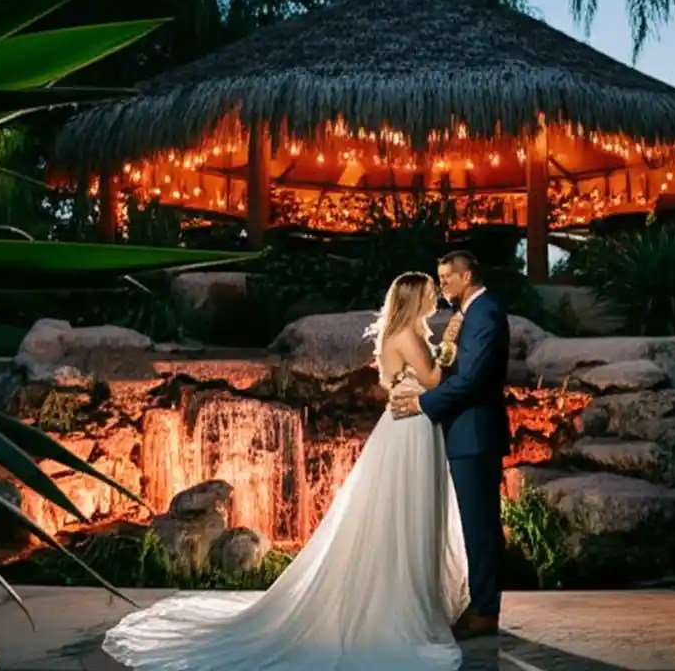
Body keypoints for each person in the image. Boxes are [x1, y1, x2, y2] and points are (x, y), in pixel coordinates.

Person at [102, 271, 470, 670]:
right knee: (410, 511)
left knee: (405, 512)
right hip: (412, 429)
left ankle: (408, 593)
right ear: (415, 299)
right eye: (430, 295)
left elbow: (394, 381)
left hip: (404, 424)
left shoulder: (396, 335)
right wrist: (449, 342)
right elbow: (433, 378)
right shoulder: (410, 337)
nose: (435, 299)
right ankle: (404, 600)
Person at [391, 250, 510, 641]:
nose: (442, 284)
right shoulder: (470, 315)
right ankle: (481, 605)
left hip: (475, 435)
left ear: (467, 274)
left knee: (480, 526)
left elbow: (473, 378)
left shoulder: (485, 313)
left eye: (447, 277)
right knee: (478, 525)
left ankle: (484, 611)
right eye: (439, 278)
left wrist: (424, 403)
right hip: (466, 433)